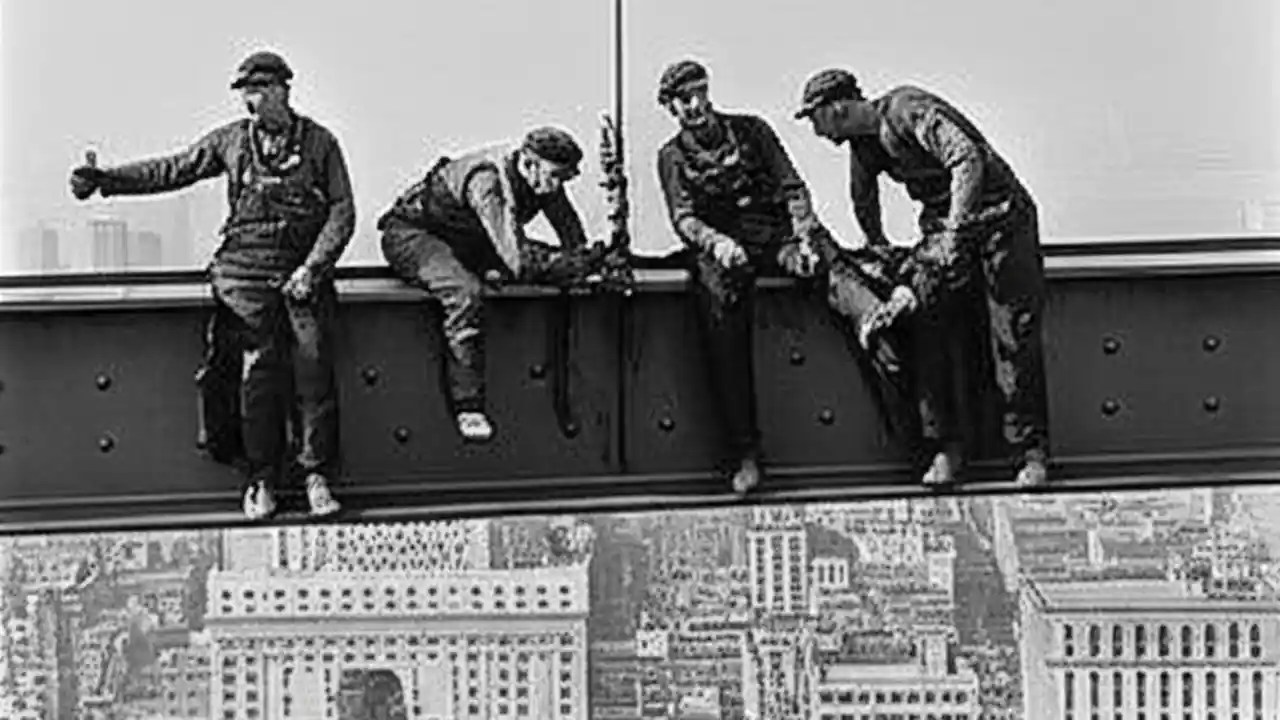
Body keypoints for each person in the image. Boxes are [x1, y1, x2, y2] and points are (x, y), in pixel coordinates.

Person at [67, 50, 356, 519]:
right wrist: (107, 180)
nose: (251, 100)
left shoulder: (321, 144)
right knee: (257, 375)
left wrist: (313, 267)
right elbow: (175, 169)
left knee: (314, 368)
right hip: (243, 275)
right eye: (246, 92)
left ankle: (315, 475)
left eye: (260, 90)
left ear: (284, 89)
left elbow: (343, 211)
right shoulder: (231, 141)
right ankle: (261, 478)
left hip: (302, 274)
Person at [655, 59, 917, 495]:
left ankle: (917, 436)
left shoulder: (752, 131)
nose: (696, 104)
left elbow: (792, 187)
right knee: (723, 329)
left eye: (701, 92)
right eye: (685, 99)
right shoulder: (672, 157)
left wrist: (805, 234)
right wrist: (716, 242)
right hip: (725, 251)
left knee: (850, 289)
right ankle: (745, 454)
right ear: (673, 107)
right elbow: (683, 217)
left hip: (779, 236)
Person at [794, 68, 1051, 488]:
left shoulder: (906, 110)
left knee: (1012, 335)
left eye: (816, 118)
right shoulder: (864, 147)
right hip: (946, 234)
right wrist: (879, 249)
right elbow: (864, 200)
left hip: (1002, 223)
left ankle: (1031, 452)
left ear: (837, 108)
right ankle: (945, 447)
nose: (816, 130)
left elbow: (965, 158)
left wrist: (953, 232)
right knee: (928, 325)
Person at [376, 126, 597, 442]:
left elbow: (570, 233)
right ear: (530, 163)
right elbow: (517, 260)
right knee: (464, 293)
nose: (556, 187)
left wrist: (587, 259)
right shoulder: (489, 182)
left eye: (564, 179)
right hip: (414, 235)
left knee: (538, 261)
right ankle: (468, 403)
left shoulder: (544, 181)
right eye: (555, 176)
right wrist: (566, 265)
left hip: (469, 241)